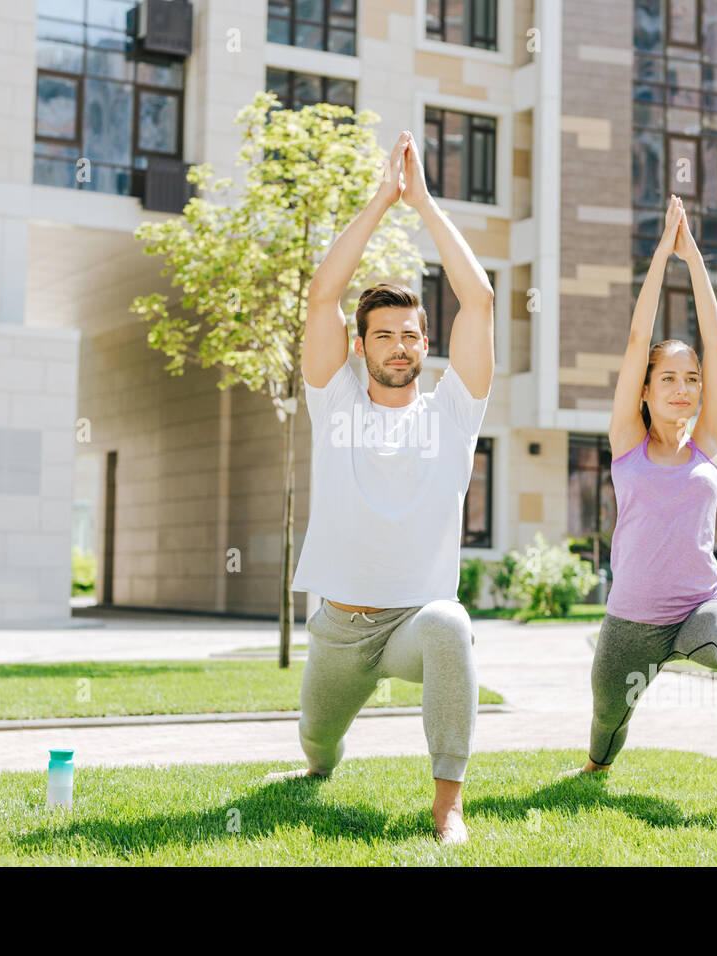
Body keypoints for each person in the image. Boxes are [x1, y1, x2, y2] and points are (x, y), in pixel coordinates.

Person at [263, 131, 495, 845]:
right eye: (385, 334)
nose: (400, 345)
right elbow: (323, 292)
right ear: (359, 346)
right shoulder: (336, 404)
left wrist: (423, 203)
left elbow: (480, 301)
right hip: (340, 627)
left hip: (412, 625)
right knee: (316, 747)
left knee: (452, 624)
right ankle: (320, 758)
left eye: (413, 334)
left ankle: (447, 807)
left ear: (427, 346)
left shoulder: (454, 412)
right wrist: (379, 201)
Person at [564, 195, 717, 826]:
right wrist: (661, 256)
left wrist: (696, 260)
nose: (684, 389)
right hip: (630, 620)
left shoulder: (708, 447)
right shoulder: (627, 448)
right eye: (669, 379)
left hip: (697, 609)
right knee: (606, 722)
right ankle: (597, 766)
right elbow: (635, 338)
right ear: (647, 392)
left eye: (692, 380)